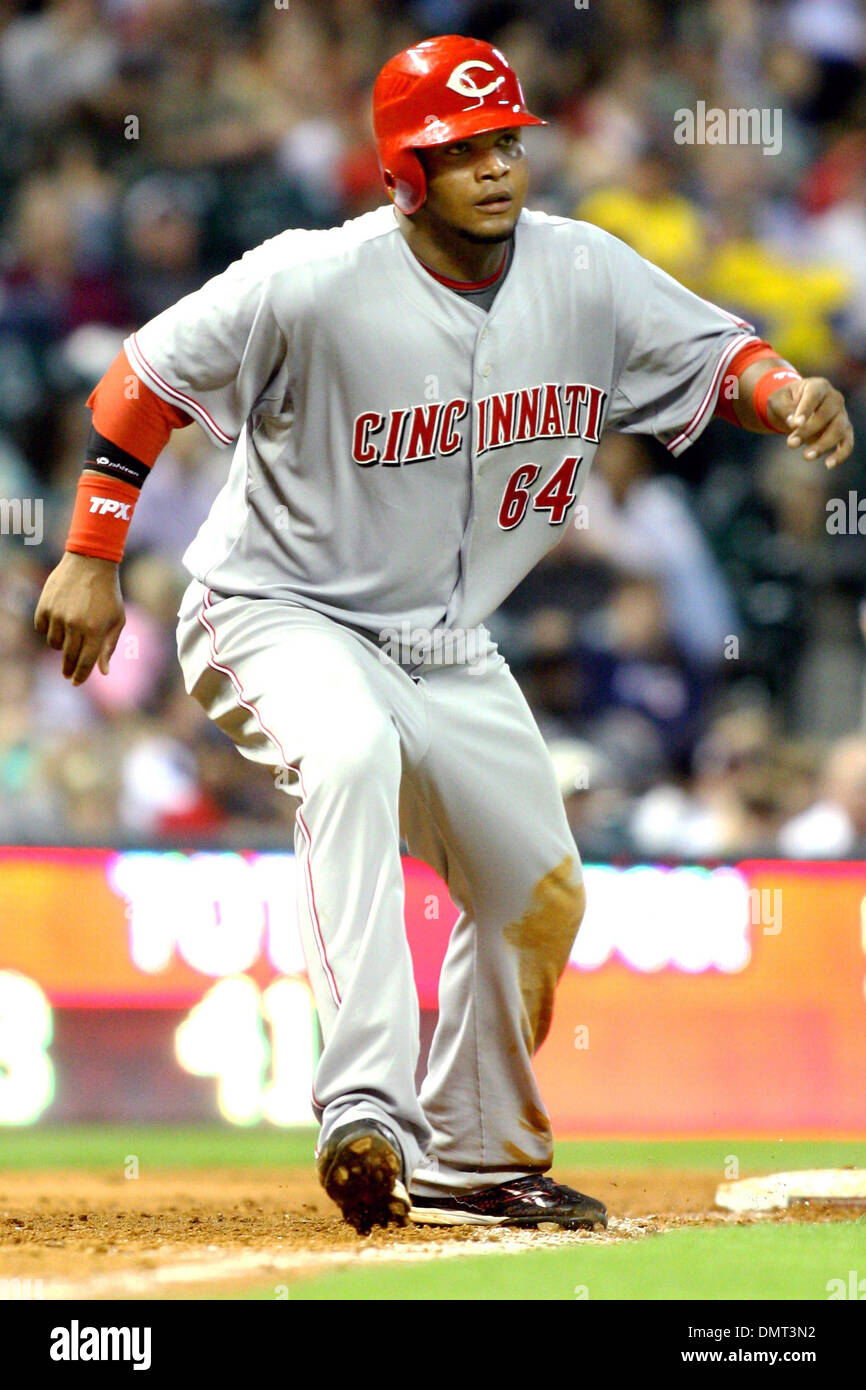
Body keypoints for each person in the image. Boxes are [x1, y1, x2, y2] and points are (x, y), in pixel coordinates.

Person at [34, 35, 854, 1235]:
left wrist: (782, 392)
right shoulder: (309, 279)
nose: (491, 168)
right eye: (456, 149)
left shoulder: (581, 271)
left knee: (538, 886)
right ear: (399, 171)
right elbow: (141, 377)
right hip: (276, 608)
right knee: (350, 757)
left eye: (504, 142)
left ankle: (477, 1152)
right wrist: (91, 551)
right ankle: (364, 1108)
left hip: (444, 639)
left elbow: (712, 350)